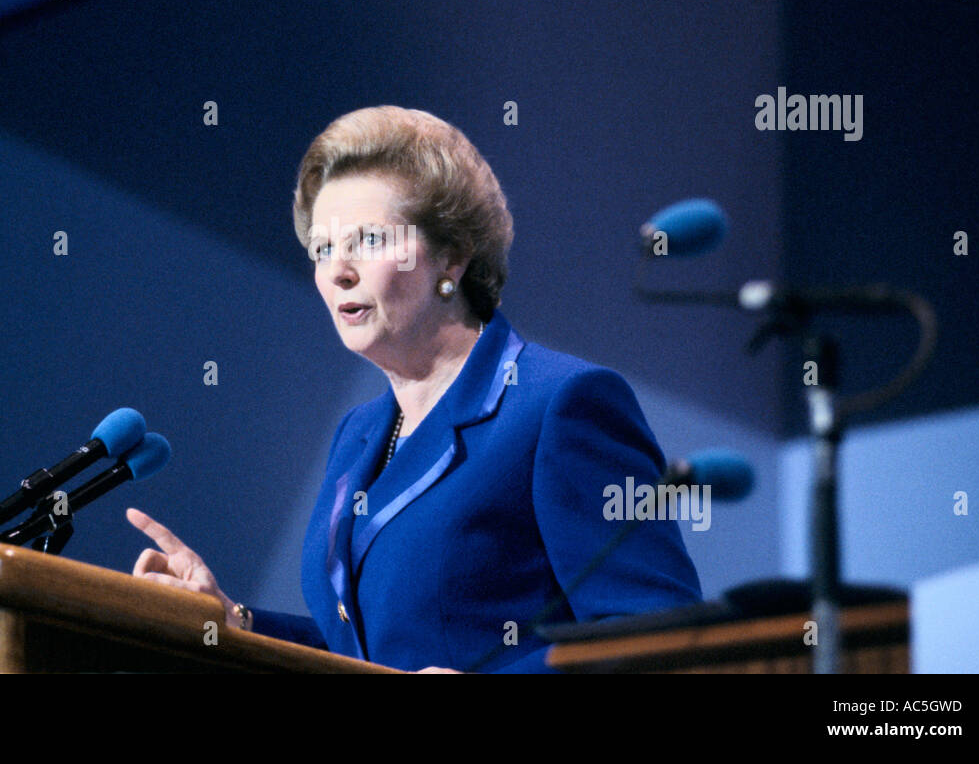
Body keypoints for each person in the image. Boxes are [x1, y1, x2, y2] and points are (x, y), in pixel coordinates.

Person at [127, 106, 702, 672]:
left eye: (368, 240)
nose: (338, 271)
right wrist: (235, 620)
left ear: (451, 257)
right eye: (323, 249)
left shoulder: (560, 404)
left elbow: (658, 638)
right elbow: (366, 653)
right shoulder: (359, 434)